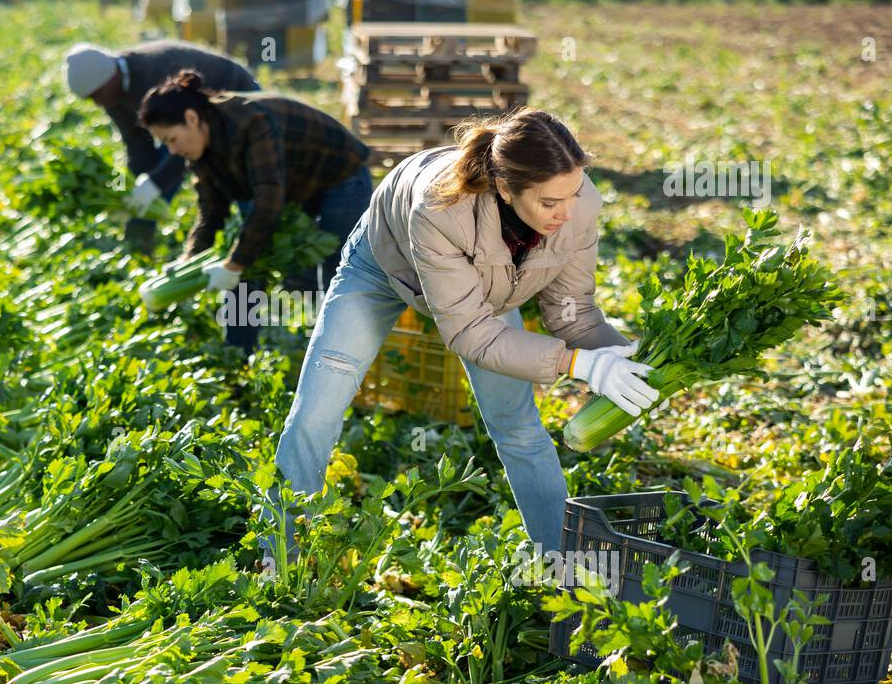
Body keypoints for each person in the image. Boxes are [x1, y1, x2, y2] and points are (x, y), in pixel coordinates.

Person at [254, 108, 659, 575]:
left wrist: (619, 353)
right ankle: (279, 556)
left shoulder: (575, 204)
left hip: (486, 287)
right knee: (317, 411)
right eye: (550, 202)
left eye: (573, 193)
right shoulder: (440, 209)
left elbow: (572, 311)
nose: (566, 213)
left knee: (519, 425)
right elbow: (469, 333)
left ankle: (560, 562)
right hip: (384, 267)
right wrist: (575, 366)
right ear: (506, 189)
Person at [139, 70, 373, 355]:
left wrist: (234, 265)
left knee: (336, 269)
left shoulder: (250, 122)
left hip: (339, 175)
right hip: (291, 181)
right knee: (245, 265)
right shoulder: (200, 151)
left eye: (171, 139)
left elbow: (268, 202)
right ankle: (238, 357)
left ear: (191, 118)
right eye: (165, 144)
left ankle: (338, 356)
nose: (172, 151)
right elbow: (211, 212)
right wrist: (189, 259)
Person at [63, 41, 259, 255]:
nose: (98, 103)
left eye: (97, 94)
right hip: (191, 123)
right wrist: (139, 186)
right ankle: (138, 250)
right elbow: (137, 144)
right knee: (160, 173)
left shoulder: (158, 71)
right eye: (91, 99)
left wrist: (155, 183)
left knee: (243, 177)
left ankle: (252, 242)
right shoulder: (113, 96)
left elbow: (188, 139)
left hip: (237, 98)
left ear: (110, 77)